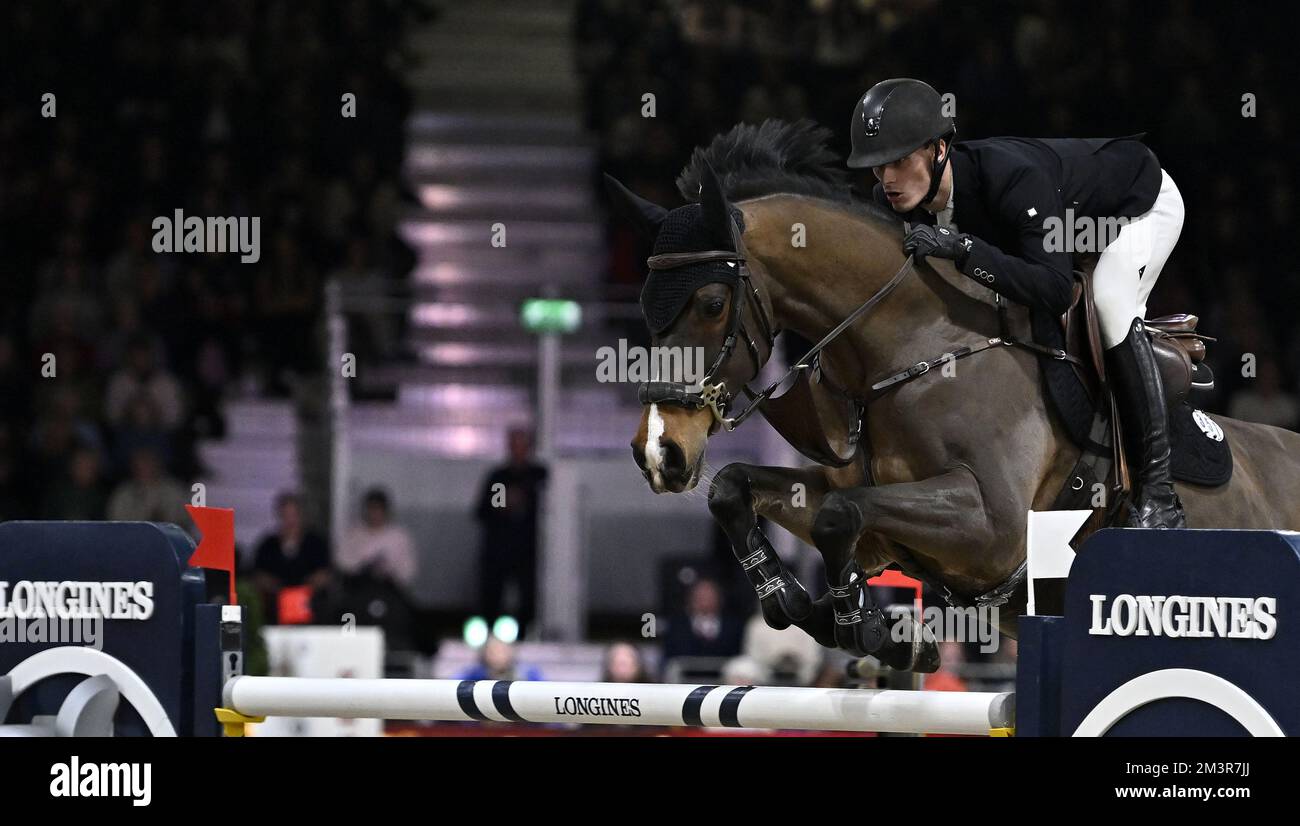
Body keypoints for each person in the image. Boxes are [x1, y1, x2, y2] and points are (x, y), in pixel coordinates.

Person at [848, 78, 1186, 528]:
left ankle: (1160, 493)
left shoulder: (1012, 177)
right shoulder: (897, 198)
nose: (887, 179)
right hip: (1063, 226)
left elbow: (1053, 288)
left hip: (1135, 204)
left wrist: (964, 250)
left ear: (938, 150)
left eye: (899, 161)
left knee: (1109, 303)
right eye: (876, 168)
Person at [473, 429, 548, 635]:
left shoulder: (539, 475)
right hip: (499, 549)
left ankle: (527, 635)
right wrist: (503, 505)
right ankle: (489, 637)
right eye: (514, 445)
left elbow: (551, 511)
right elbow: (482, 511)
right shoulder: (498, 476)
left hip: (529, 549)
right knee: (492, 595)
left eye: (522, 445)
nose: (518, 450)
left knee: (530, 596)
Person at [250, 492, 332, 624]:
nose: (290, 521)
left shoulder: (316, 542)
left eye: (294, 515)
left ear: (302, 516)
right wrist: (282, 592)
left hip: (310, 602)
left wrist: (302, 592)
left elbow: (324, 575)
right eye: (285, 516)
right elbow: (259, 576)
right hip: (275, 602)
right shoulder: (268, 544)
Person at [336, 488, 418, 588]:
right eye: (371, 509)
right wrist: (363, 565)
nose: (374, 514)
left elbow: (409, 569)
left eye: (378, 509)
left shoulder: (399, 536)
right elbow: (342, 561)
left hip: (390, 588)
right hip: (359, 586)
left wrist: (389, 570)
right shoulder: (354, 533)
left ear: (386, 511)